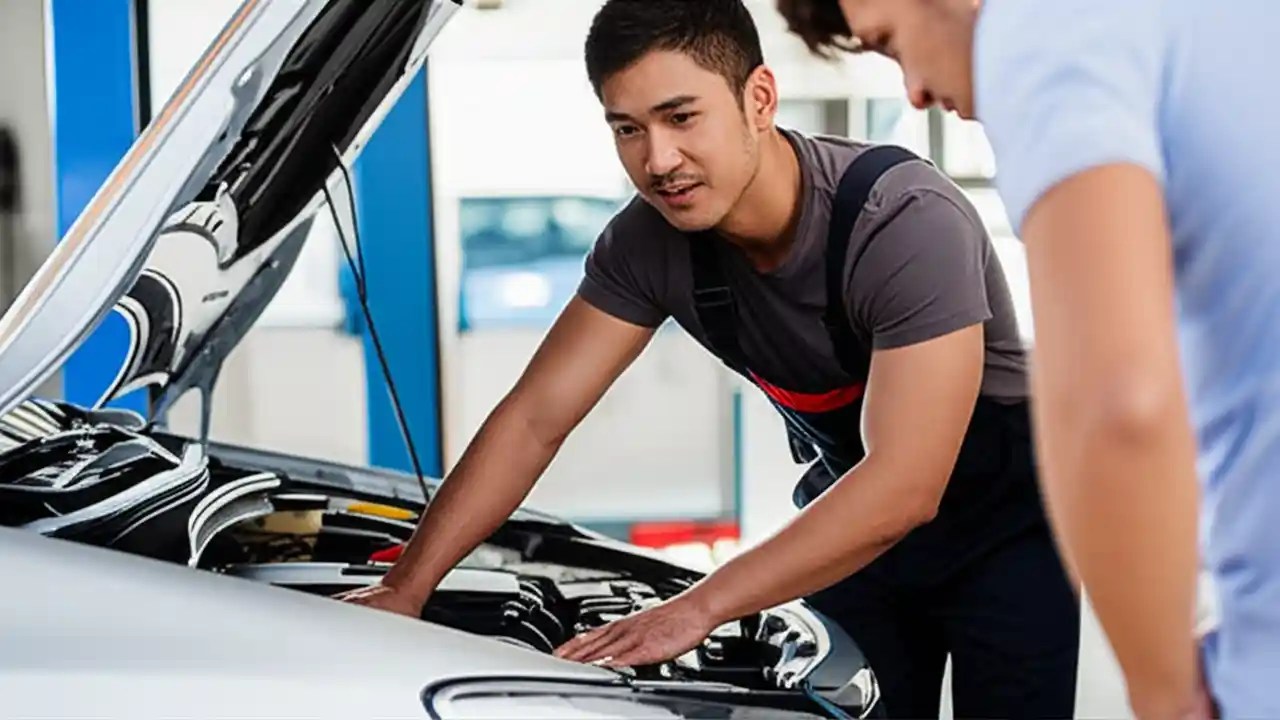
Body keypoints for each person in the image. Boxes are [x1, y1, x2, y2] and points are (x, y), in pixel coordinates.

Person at [338, 0, 1080, 715]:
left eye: (682, 117)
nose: (658, 160)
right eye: (627, 128)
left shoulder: (902, 221)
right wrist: (410, 585)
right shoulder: (647, 245)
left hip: (1004, 540)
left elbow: (905, 485)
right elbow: (535, 417)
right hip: (849, 539)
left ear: (759, 98)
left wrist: (697, 608)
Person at [773, 0, 1280, 717]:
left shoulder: (1045, 30)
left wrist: (1163, 694)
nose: (912, 89)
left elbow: (1117, 405)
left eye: (890, 44)